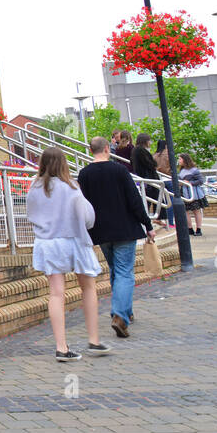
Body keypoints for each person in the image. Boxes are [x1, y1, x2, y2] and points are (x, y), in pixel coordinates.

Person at [26, 147, 108, 361]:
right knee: (88, 288)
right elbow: (88, 217)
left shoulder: (34, 188)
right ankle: (94, 340)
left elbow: (30, 216)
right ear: (63, 163)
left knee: (56, 293)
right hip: (74, 239)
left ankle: (61, 347)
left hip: (47, 243)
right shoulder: (71, 187)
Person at [78, 137, 156, 338]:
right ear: (106, 148)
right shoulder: (120, 171)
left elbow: (82, 205)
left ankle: (124, 310)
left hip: (101, 231)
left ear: (90, 150)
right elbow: (134, 199)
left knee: (115, 270)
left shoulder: (84, 174)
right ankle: (120, 315)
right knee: (124, 272)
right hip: (124, 229)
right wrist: (147, 225)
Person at [131, 132, 164, 224]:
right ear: (145, 141)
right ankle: (153, 218)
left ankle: (152, 218)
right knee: (150, 198)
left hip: (145, 178)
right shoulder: (140, 150)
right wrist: (153, 165)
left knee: (149, 199)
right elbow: (150, 164)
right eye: (149, 140)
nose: (150, 142)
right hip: (147, 178)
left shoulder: (136, 150)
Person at [177, 153, 207, 237]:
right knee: (186, 211)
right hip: (184, 192)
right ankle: (189, 228)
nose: (178, 161)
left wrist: (190, 183)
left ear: (185, 160)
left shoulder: (194, 170)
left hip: (194, 193)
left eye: (180, 159)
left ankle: (198, 229)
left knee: (196, 211)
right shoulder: (182, 171)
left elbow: (201, 181)